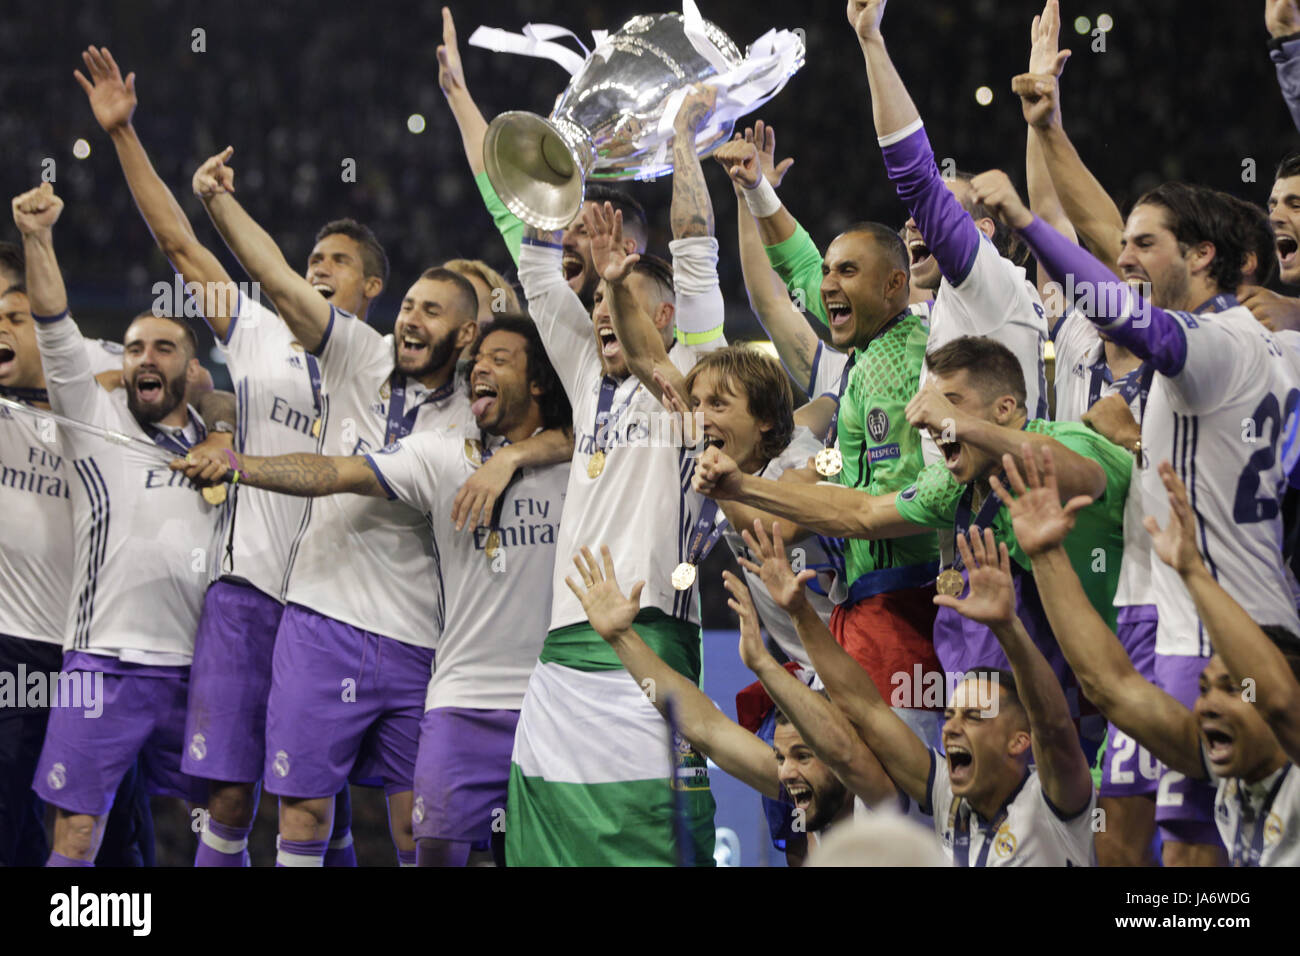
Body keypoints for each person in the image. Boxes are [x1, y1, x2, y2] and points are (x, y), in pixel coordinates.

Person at [191, 146, 570, 866]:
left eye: (434, 310)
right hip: (321, 616)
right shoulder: (357, 354)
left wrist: (518, 455)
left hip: (420, 640)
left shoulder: (482, 407)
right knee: (301, 816)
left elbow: (567, 432)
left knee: (418, 831)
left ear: (470, 333)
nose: (408, 320)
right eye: (407, 306)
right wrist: (217, 201)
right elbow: (276, 280)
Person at [75, 42, 372, 867]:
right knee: (234, 799)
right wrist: (124, 134)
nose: (316, 273)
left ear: (370, 291)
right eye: (309, 262)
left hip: (336, 605)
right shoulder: (261, 331)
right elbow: (180, 244)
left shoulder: (384, 366)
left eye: (336, 266)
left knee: (317, 808)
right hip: (244, 598)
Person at [974, 165, 1300, 865]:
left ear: (1202, 256)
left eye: (1144, 245)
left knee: (1196, 849)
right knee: (1133, 832)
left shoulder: (1219, 342)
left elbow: (1124, 316)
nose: (1123, 259)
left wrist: (1028, 223)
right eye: (1123, 244)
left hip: (1219, 628)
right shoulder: (1255, 348)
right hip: (1190, 611)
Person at [694, 336, 1130, 685]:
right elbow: (861, 513)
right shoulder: (954, 486)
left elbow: (1076, 474)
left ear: (1006, 409)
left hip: (1142, 665)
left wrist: (957, 423)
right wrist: (742, 486)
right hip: (1075, 689)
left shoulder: (1071, 440)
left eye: (951, 402)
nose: (930, 419)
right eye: (932, 405)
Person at [14, 183, 216, 865]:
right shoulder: (93, 423)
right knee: (75, 831)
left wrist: (224, 430)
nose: (146, 359)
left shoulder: (224, 448)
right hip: (103, 663)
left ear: (193, 370)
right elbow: (55, 323)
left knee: (226, 813)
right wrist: (38, 238)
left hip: (201, 667)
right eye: (133, 349)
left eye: (163, 348)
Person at [997, 443, 1300, 866]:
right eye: (1206, 688)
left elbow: (1282, 703)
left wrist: (1193, 572)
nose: (1207, 704)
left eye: (1234, 690)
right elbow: (1110, 685)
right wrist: (1047, 555)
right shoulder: (1235, 776)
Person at [742, 513, 1095, 865]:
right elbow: (864, 707)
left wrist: (1008, 628)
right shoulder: (948, 798)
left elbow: (1053, 725)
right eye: (951, 715)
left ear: (1019, 741)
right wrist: (799, 612)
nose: (952, 728)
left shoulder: (1055, 801)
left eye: (974, 716)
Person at [563, 544, 900, 849]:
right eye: (781, 758)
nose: (785, 773)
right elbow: (704, 726)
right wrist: (622, 638)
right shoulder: (811, 793)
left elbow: (845, 750)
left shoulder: (886, 798)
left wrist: (777, 644)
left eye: (802, 755)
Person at [849, 0, 1049, 436]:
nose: (914, 223)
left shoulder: (989, 281)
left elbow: (917, 179)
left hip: (999, 499)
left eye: (943, 214)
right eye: (913, 219)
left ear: (981, 231)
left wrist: (872, 42)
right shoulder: (952, 307)